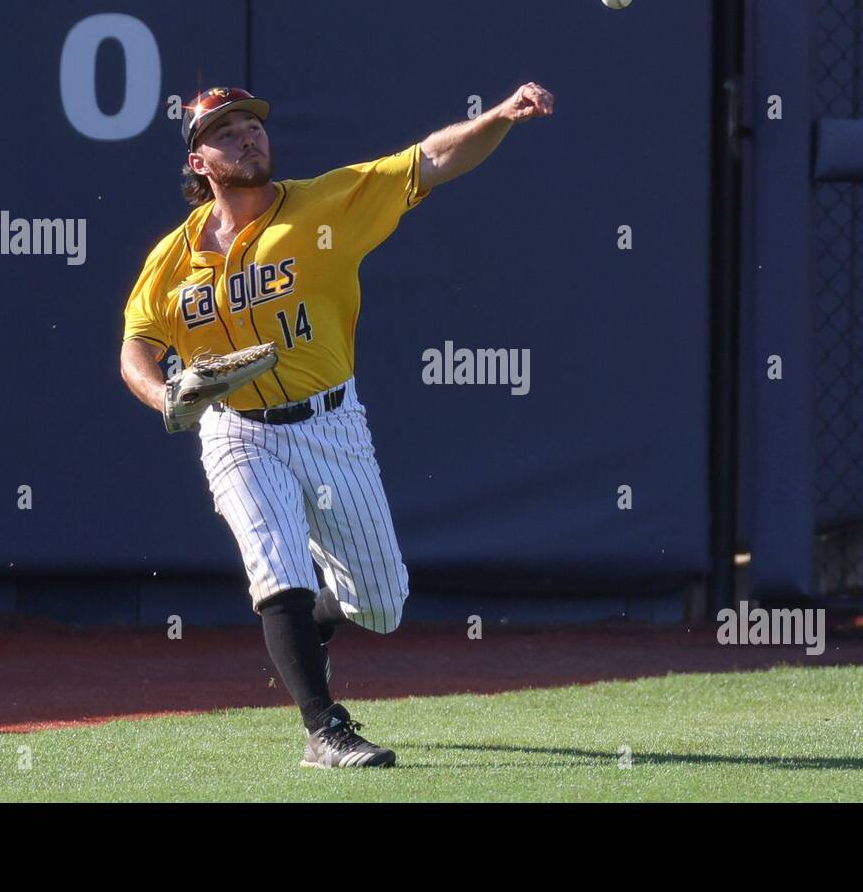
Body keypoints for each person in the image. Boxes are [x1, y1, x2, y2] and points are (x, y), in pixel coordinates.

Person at [119, 82, 555, 768]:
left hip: (331, 423)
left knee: (381, 603)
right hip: (238, 430)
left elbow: (430, 161)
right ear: (198, 161)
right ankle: (325, 728)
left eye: (252, 125)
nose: (247, 138)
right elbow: (135, 347)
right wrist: (162, 394)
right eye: (226, 132)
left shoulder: (325, 204)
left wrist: (499, 115)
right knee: (275, 565)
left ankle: (312, 627)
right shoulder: (171, 260)